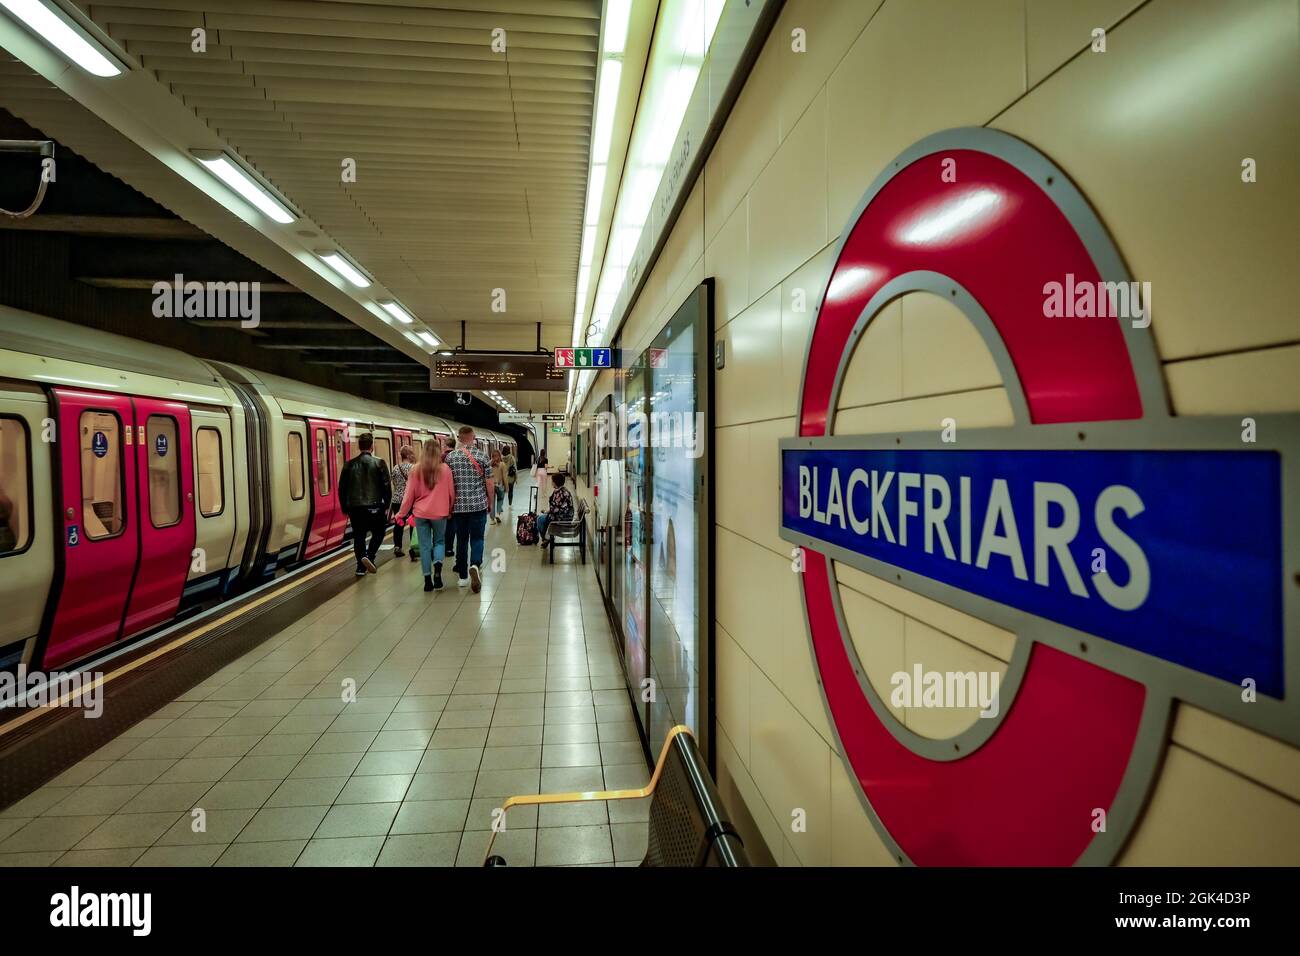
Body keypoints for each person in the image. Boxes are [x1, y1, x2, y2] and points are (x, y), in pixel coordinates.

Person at [397, 438, 455, 592]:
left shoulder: (415, 470)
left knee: (424, 546)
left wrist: (401, 514)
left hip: (421, 514)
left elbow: (408, 495)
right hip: (440, 513)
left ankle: (427, 580)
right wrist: (450, 510)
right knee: (439, 542)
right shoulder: (445, 469)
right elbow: (451, 493)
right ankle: (438, 570)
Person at [338, 432, 391, 576]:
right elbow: (386, 486)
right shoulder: (379, 462)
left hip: (355, 507)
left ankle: (360, 567)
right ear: (372, 446)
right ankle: (370, 556)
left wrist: (345, 507)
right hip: (375, 506)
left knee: (359, 536)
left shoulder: (349, 465)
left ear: (359, 446)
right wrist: (386, 505)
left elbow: (342, 488)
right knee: (379, 533)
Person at [446, 425, 491, 592]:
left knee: (462, 540)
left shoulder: (450, 458)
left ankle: (463, 577)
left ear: (458, 438)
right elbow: (489, 483)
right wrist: (490, 503)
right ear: (474, 437)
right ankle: (475, 564)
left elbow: (448, 485)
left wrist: (449, 505)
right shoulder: (482, 456)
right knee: (478, 538)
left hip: (459, 507)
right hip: (478, 505)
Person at [390, 444, 416, 559]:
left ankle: (397, 546)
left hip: (397, 500)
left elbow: (394, 483)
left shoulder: (395, 468)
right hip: (410, 500)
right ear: (409, 455)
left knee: (399, 523)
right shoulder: (413, 468)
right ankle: (413, 547)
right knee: (412, 523)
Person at [535, 472, 574, 542]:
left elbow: (555, 509)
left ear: (555, 482)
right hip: (566, 515)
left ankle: (546, 538)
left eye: (552, 481)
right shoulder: (562, 490)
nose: (551, 482)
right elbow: (557, 507)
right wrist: (548, 511)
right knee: (541, 517)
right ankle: (547, 537)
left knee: (539, 519)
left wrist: (547, 512)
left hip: (562, 518)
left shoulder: (560, 493)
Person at [489, 449, 508, 525]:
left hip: (491, 485)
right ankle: (498, 513)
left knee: (492, 502)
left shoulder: (489, 464)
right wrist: (506, 487)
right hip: (500, 485)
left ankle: (492, 520)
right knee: (500, 500)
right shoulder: (502, 464)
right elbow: (505, 477)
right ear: (500, 456)